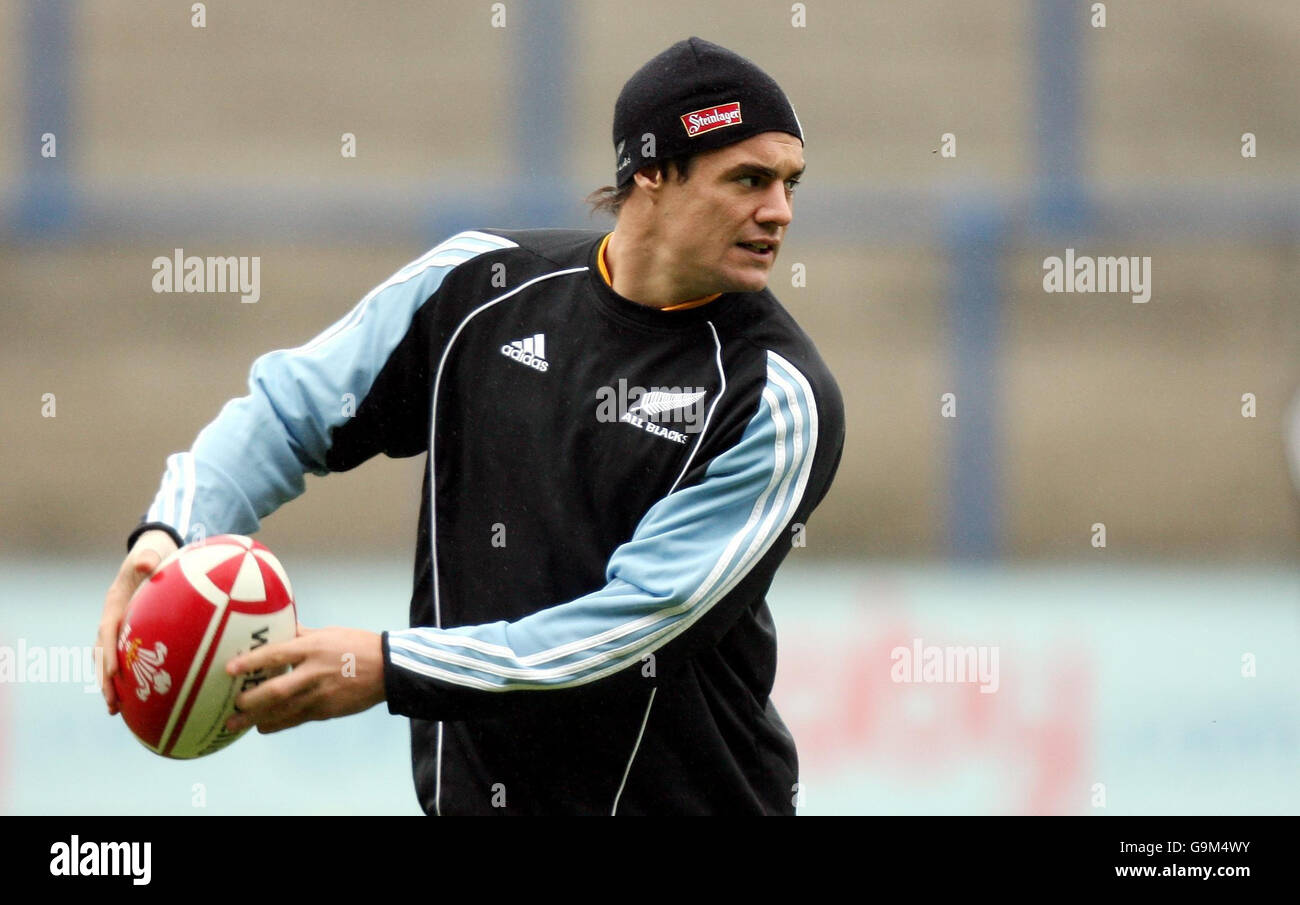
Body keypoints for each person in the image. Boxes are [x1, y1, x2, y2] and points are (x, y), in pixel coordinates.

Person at [97, 36, 845, 815]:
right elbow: (287, 411)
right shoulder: (477, 285)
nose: (780, 212)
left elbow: (633, 631)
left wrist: (386, 666)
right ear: (650, 174)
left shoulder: (776, 396)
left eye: (791, 183)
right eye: (749, 179)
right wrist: (170, 537)